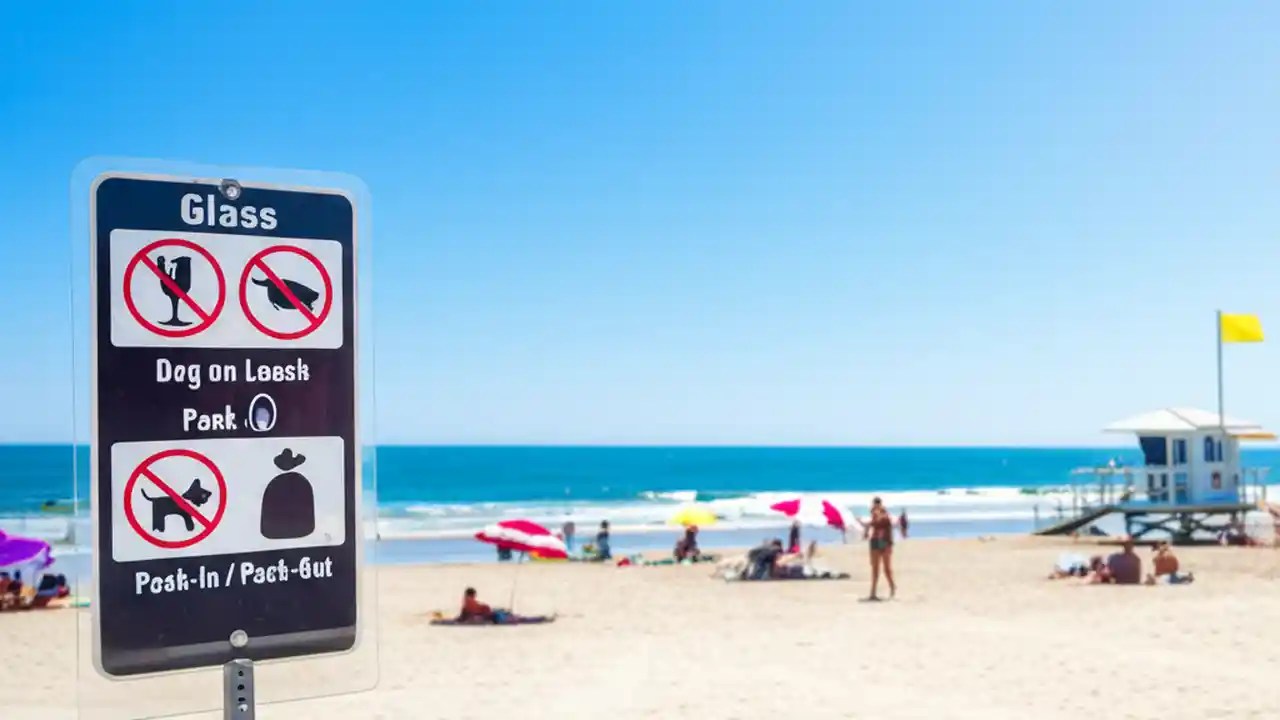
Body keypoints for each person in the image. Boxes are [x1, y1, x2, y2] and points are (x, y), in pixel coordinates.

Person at [857, 497, 897, 600]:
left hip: (885, 542)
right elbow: (871, 525)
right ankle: (873, 593)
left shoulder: (885, 515)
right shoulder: (873, 514)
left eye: (877, 505)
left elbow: (882, 523)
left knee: (886, 569)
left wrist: (864, 523)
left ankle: (892, 586)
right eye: (874, 505)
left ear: (880, 505)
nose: (875, 507)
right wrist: (865, 532)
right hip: (875, 541)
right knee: (875, 568)